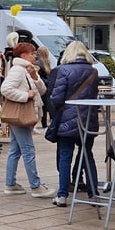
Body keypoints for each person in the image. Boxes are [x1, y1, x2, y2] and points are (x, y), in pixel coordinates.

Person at [48, 41, 101, 207]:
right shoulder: (93, 72)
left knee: (65, 156)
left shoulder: (63, 70)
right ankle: (94, 195)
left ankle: (62, 195)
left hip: (67, 118)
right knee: (87, 156)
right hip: (88, 120)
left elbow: (56, 98)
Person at [0, 42, 55, 198]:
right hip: (21, 115)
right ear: (23, 56)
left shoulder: (27, 70)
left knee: (15, 150)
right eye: (32, 53)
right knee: (28, 150)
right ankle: (35, 186)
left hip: (22, 115)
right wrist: (25, 96)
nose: (34, 56)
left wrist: (35, 77)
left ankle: (10, 184)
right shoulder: (17, 70)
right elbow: (5, 89)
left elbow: (43, 90)